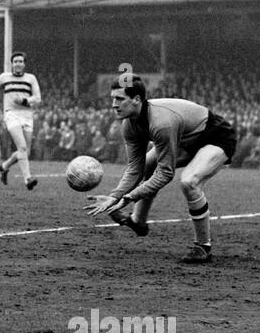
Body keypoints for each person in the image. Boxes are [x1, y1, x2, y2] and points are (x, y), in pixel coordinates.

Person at [85, 75, 237, 264]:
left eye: (119, 99)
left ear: (137, 100)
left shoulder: (161, 123)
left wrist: (128, 197)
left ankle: (202, 247)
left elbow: (165, 173)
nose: (114, 104)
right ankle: (137, 221)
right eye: (113, 99)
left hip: (216, 137)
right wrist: (115, 196)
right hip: (185, 139)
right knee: (148, 164)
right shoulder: (129, 125)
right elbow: (135, 168)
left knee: (189, 182)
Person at [0, 51, 42, 189]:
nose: (18, 64)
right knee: (22, 147)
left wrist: (24, 100)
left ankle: (4, 166)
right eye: (15, 61)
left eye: (20, 61)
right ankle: (27, 179)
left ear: (24, 64)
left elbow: (38, 98)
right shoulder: (4, 77)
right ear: (11, 64)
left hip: (27, 115)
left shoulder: (31, 78)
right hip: (11, 114)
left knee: (25, 152)